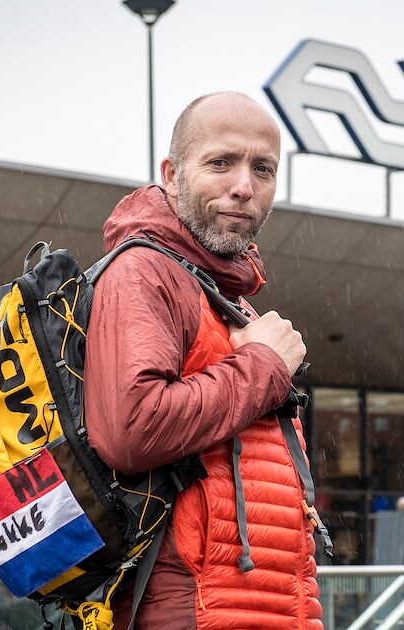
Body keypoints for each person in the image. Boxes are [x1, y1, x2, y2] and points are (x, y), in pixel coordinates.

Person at [86, 92, 320, 629]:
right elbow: (131, 428)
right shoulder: (145, 271)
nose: (244, 186)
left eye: (263, 169)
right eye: (221, 162)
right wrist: (264, 365)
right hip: (193, 609)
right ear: (172, 173)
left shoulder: (221, 292)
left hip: (259, 609)